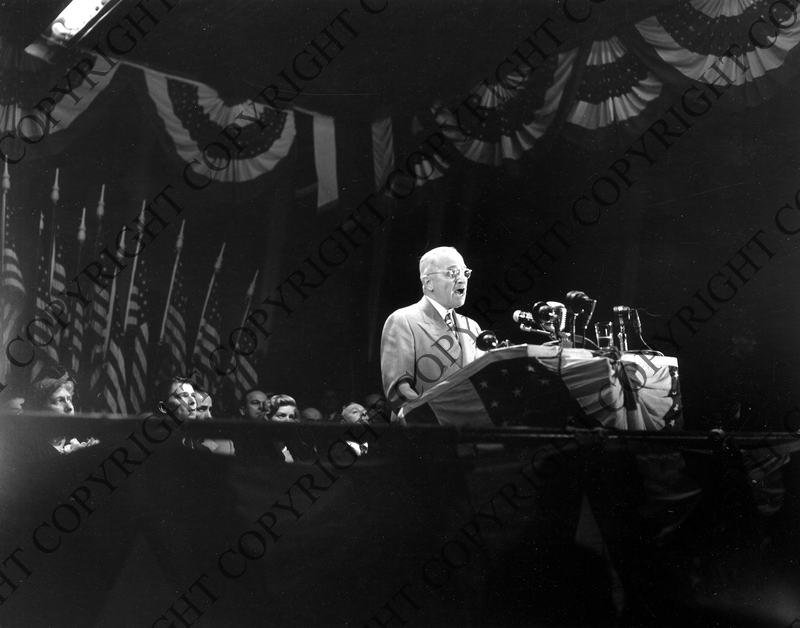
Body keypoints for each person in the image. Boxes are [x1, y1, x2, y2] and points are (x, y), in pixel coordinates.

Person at [380, 246, 484, 415]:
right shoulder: (402, 320)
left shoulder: (473, 327)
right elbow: (399, 391)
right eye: (452, 273)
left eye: (465, 273)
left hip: (471, 429)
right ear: (428, 283)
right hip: (429, 431)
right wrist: (438, 419)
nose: (462, 280)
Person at [23, 366, 99, 454]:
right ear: (40, 410)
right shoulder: (28, 449)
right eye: (59, 401)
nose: (70, 407)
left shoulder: (84, 442)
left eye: (69, 399)